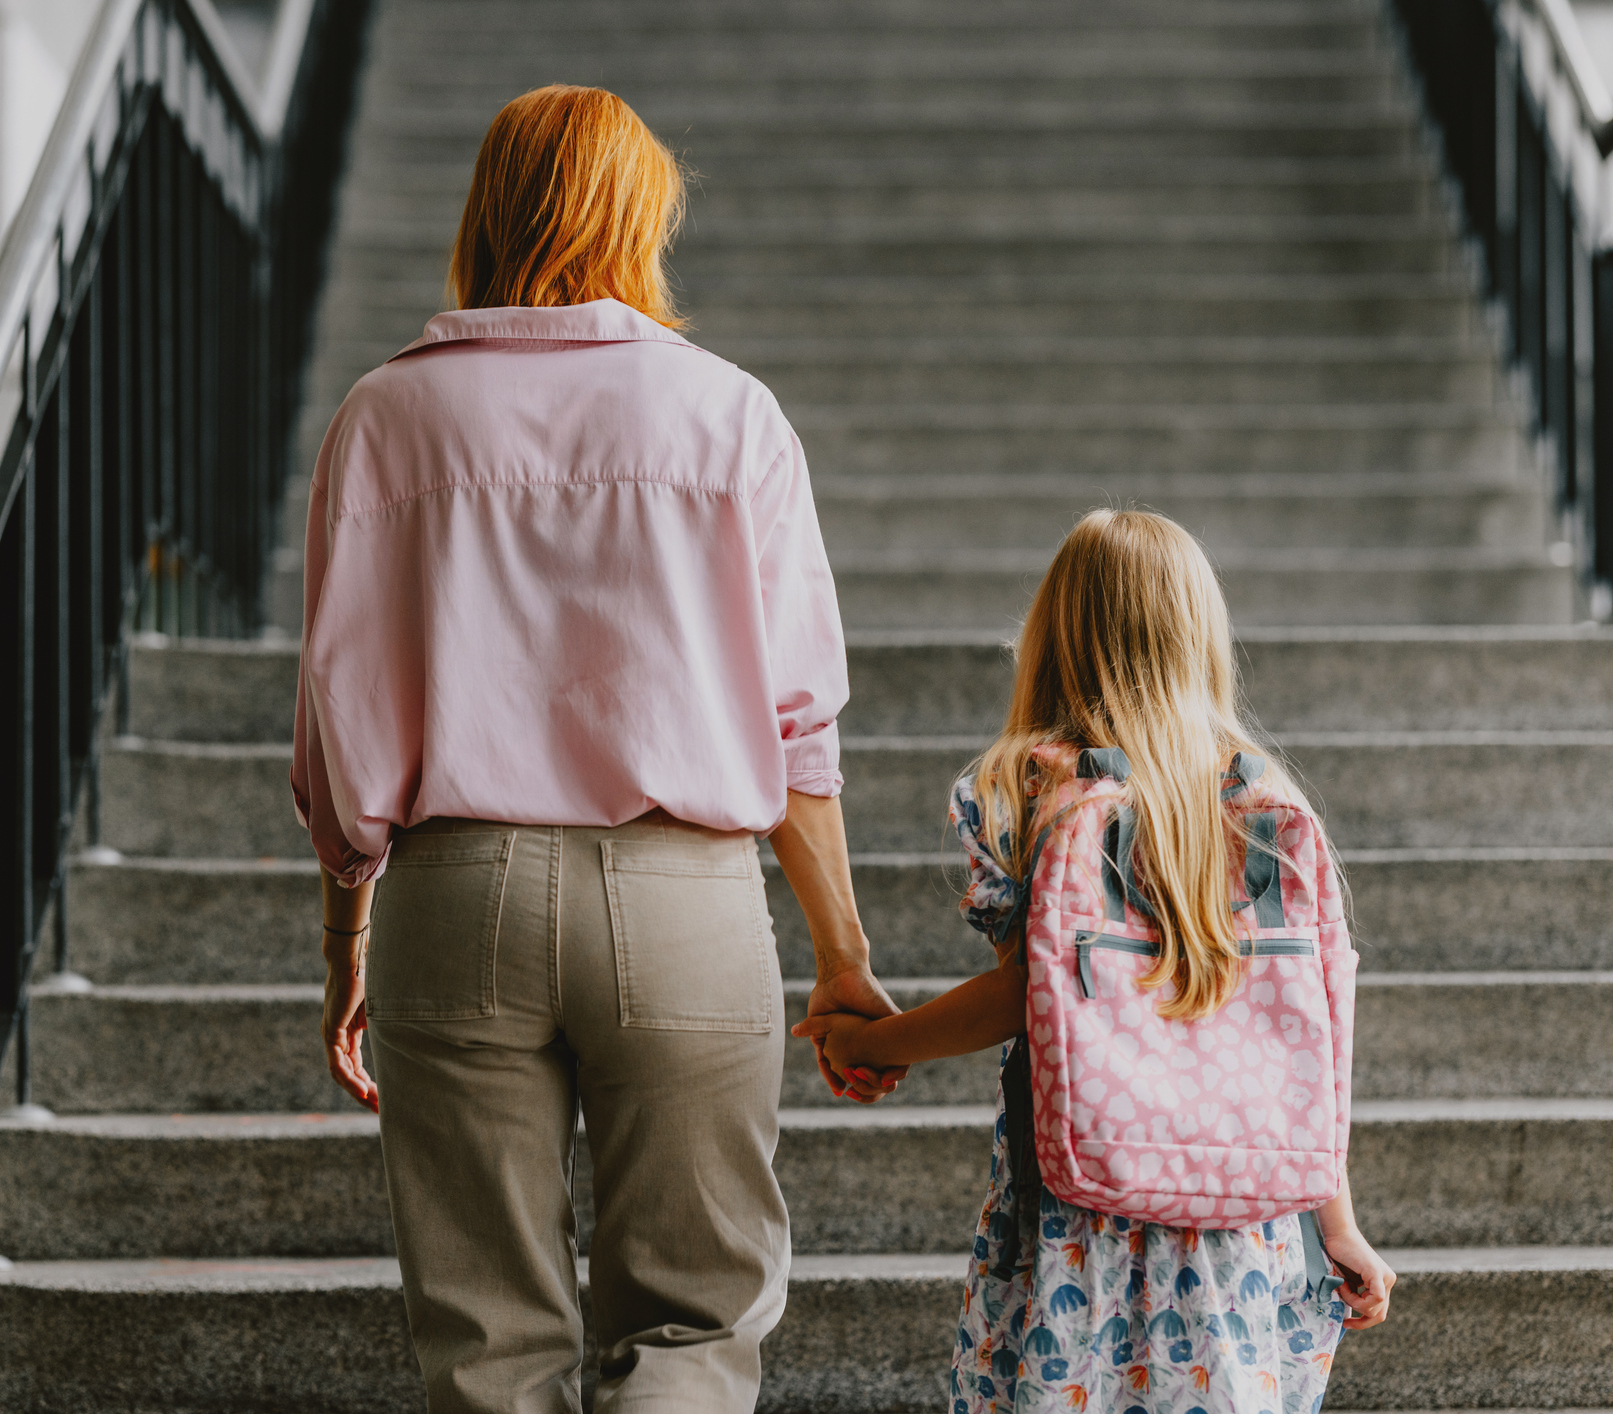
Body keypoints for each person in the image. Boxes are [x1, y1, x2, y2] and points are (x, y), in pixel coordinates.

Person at [290, 85, 906, 1414]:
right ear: (642, 217)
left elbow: (342, 715)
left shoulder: (382, 419)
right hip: (684, 893)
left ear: (486, 213)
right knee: (694, 1321)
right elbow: (800, 721)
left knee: (488, 1348)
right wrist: (842, 955)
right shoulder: (731, 416)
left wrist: (346, 937)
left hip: (453, 901)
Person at [793, 509, 1397, 1413]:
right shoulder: (1256, 799)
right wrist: (1336, 1221)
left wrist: (883, 1043)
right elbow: (1300, 1035)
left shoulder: (1020, 786)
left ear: (1053, 634)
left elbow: (1022, 993)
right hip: (1241, 1210)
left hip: (1079, 1207)